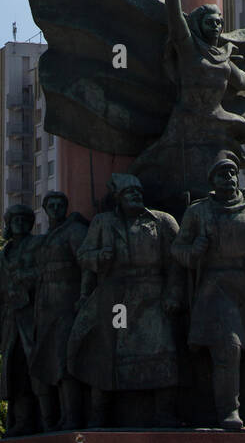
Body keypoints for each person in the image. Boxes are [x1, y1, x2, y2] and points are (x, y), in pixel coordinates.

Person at [131, 0, 245, 211]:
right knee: (160, 161)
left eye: (219, 22)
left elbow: (242, 81)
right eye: (210, 22)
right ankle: (138, 194)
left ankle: (216, 212)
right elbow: (174, 17)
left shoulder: (225, 58)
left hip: (216, 120)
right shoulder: (187, 49)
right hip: (185, 119)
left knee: (219, 167)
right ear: (199, 25)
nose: (216, 26)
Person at [173, 153, 245, 430]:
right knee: (228, 349)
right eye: (222, 174)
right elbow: (178, 250)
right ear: (212, 180)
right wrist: (194, 251)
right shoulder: (198, 211)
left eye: (232, 172)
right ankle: (229, 410)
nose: (228, 177)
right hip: (216, 289)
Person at [68, 173, 184, 428]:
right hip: (115, 297)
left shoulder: (162, 221)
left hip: (152, 293)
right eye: (129, 192)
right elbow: (84, 256)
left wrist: (173, 293)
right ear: (117, 198)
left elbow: (176, 263)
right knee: (107, 355)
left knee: (162, 351)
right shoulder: (103, 222)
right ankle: (100, 415)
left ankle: (165, 413)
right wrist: (100, 257)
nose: (135, 196)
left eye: (138, 192)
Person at [29, 191, 89, 432]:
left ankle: (72, 417)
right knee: (47, 363)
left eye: (59, 204)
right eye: (50, 205)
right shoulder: (45, 239)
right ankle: (55, 419)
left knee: (66, 363)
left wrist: (84, 296)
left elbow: (87, 266)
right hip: (45, 309)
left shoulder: (74, 231)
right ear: (44, 209)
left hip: (67, 303)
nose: (55, 208)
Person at [0, 204, 40, 437]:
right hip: (10, 320)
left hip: (33, 318)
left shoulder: (38, 245)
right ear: (8, 224)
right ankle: (17, 421)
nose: (19, 222)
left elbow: (45, 275)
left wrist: (26, 280)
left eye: (24, 218)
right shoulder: (3, 254)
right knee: (13, 372)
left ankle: (37, 419)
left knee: (33, 370)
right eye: (15, 219)